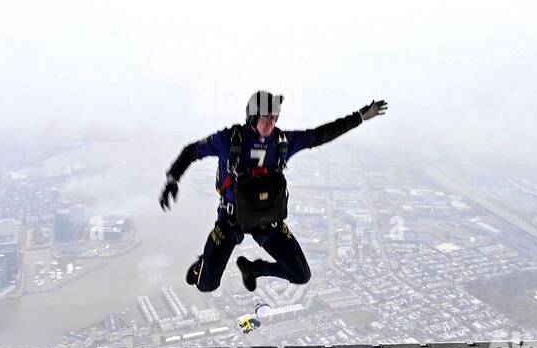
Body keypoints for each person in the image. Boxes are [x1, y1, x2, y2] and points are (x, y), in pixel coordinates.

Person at [160, 91, 387, 292]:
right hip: (231, 221)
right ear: (251, 117)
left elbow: (322, 134)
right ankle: (203, 264)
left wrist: (359, 117)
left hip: (267, 220)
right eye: (265, 117)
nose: (271, 123)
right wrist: (173, 178)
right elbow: (191, 151)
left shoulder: (282, 141)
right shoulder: (228, 140)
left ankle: (253, 269)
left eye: (274, 118)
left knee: (301, 274)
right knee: (207, 285)